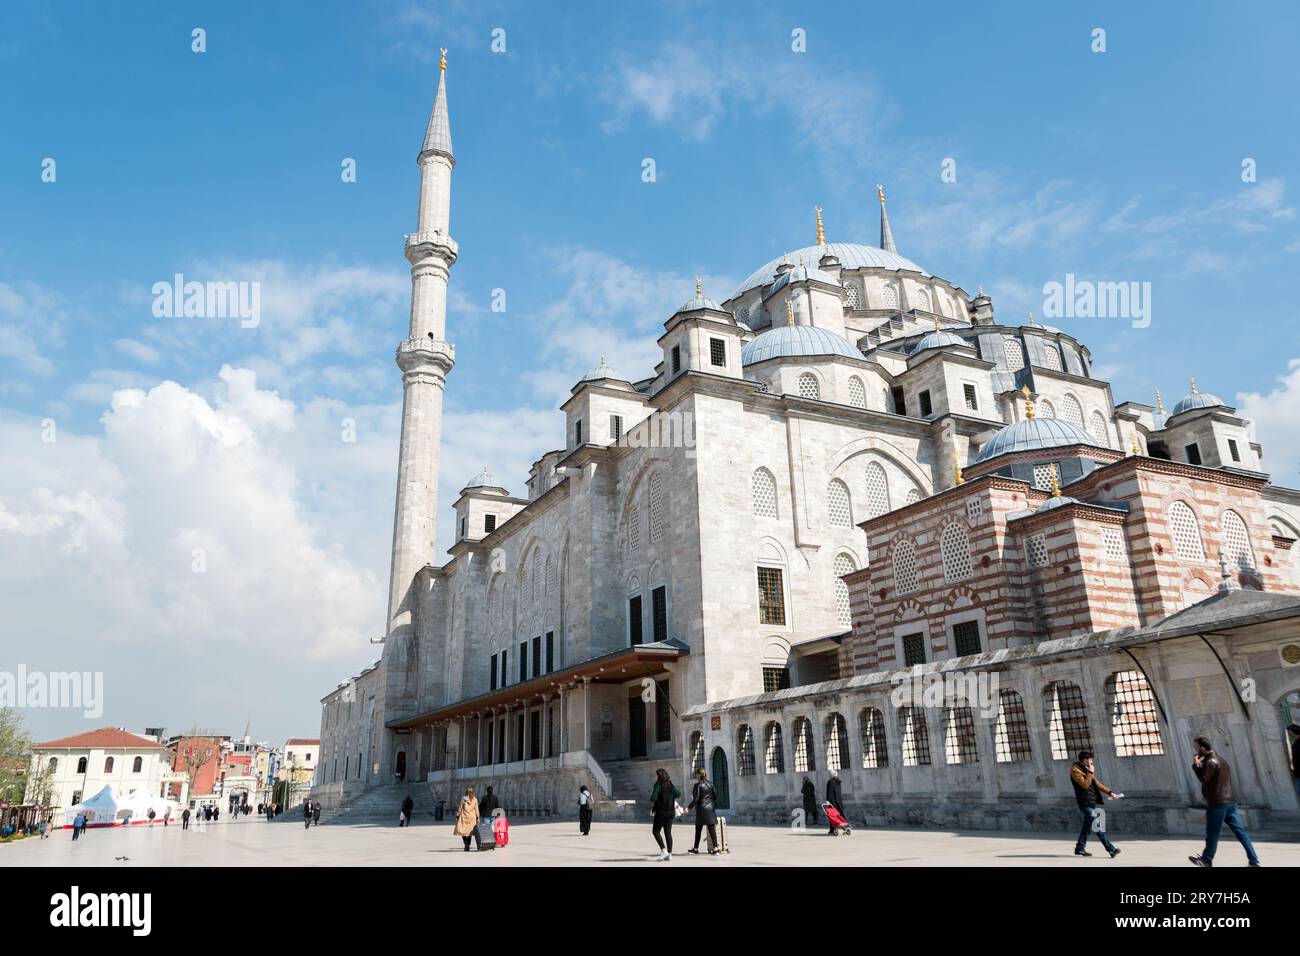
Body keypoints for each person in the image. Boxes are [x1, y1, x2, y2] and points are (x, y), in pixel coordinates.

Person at [1189, 737, 1260, 867]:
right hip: (1230, 803)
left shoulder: (1210, 761)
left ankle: (1206, 860)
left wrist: (1195, 765)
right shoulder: (1222, 760)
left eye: (1196, 747)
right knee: (1241, 832)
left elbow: (1204, 779)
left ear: (1202, 748)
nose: (1195, 749)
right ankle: (1254, 861)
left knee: (1212, 833)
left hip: (1217, 803)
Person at [1070, 750, 1122, 858]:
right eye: (1090, 760)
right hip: (1084, 803)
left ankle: (1080, 848)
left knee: (1086, 827)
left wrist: (1110, 792)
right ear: (1084, 760)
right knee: (1097, 826)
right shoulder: (1075, 771)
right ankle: (1111, 849)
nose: (1091, 762)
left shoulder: (1086, 769)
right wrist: (1090, 772)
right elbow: (1085, 784)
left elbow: (1095, 783)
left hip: (1091, 802)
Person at [686, 767, 719, 855]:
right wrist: (710, 803)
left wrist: (689, 807)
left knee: (698, 830)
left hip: (701, 810)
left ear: (698, 775)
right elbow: (715, 796)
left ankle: (696, 849)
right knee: (712, 830)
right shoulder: (711, 784)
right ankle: (716, 849)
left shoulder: (698, 785)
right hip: (710, 809)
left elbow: (696, 798)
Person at [649, 768, 680, 861]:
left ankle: (664, 850)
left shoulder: (658, 785)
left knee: (656, 831)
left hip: (661, 813)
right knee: (668, 832)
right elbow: (678, 794)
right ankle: (670, 854)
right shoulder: (671, 785)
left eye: (657, 775)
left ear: (659, 776)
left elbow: (653, 798)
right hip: (670, 812)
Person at [453, 786, 481, 851]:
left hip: (464, 817)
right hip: (472, 818)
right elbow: (476, 809)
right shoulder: (475, 799)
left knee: (462, 831)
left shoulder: (463, 798)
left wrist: (457, 816)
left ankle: (466, 844)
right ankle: (468, 845)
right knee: (469, 832)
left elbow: (460, 808)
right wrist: (478, 817)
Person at [825, 769, 845, 835]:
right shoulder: (838, 781)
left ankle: (832, 829)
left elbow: (830, 791)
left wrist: (828, 800)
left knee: (832, 815)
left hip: (832, 801)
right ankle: (844, 826)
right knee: (840, 814)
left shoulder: (830, 781)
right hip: (839, 801)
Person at [1288, 724, 1300, 802]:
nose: (1289, 734)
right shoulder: (1296, 743)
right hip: (1298, 773)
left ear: (1293, 731)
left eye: (1289, 732)